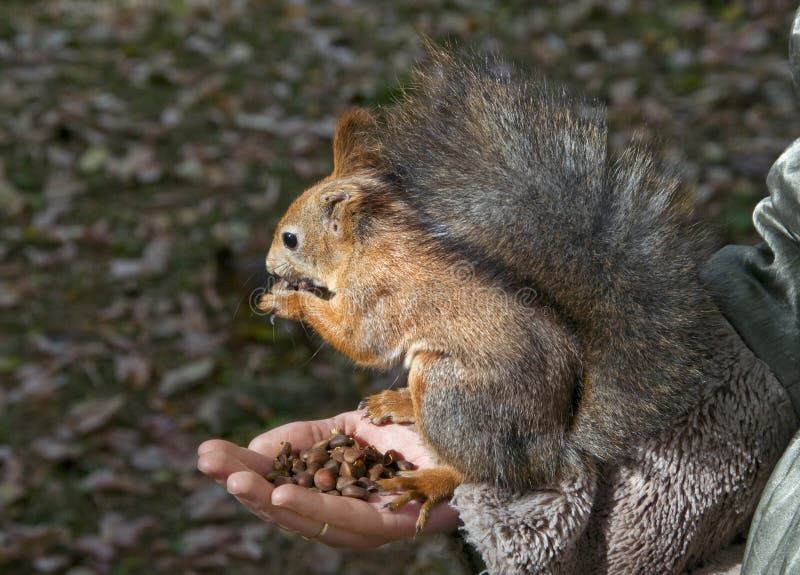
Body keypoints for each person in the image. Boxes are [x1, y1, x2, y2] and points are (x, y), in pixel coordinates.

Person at [198, 9, 800, 573]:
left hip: (503, 388)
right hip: (521, 377)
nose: (281, 262)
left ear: (342, 220)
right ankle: (451, 429)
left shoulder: (381, 270)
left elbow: (360, 341)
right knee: (437, 361)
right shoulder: (408, 259)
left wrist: (303, 302)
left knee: (447, 368)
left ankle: (452, 471)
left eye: (295, 245)